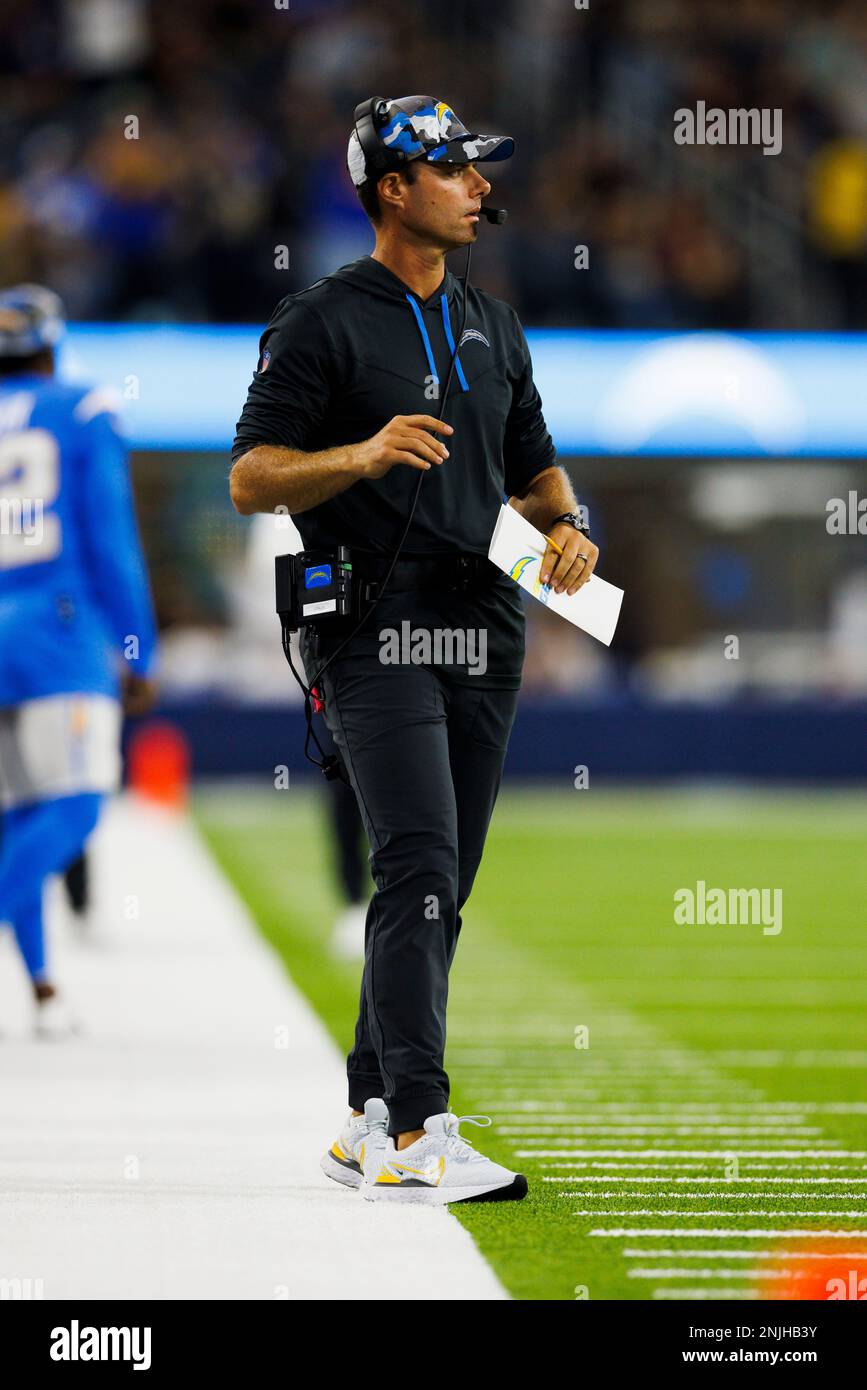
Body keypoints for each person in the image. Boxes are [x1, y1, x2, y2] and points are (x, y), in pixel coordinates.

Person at [230, 96, 598, 1203]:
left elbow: (536, 468)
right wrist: (361, 452)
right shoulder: (323, 319)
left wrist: (573, 528)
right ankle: (420, 1126)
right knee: (420, 862)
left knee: (441, 880)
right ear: (394, 189)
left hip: (488, 617)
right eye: (457, 171)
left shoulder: (497, 322)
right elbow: (252, 476)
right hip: (375, 621)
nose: (482, 188)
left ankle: (369, 1113)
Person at [0, 284, 158, 1036]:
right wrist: (138, 647)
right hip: (55, 634)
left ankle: (42, 990)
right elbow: (110, 540)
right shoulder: (82, 410)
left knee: (18, 813)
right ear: (52, 343)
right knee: (76, 801)